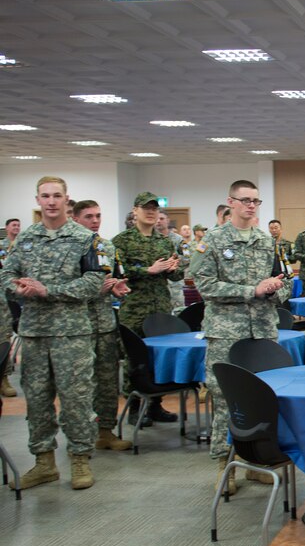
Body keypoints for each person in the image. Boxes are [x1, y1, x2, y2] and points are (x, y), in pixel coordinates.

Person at [0, 177, 105, 490]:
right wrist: (19, 288)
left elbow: (93, 283)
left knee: (76, 399)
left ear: (66, 199)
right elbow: (7, 274)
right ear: (37, 199)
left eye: (57, 196)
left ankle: (80, 460)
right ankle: (44, 462)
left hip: (71, 333)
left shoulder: (86, 239)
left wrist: (50, 290)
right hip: (33, 333)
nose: (51, 201)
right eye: (45, 196)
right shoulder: (27, 238)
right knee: (37, 399)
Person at [194, 179, 288, 495]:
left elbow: (284, 283)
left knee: (262, 399)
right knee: (225, 400)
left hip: (262, 332)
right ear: (230, 202)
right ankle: (226, 466)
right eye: (245, 200)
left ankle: (257, 463)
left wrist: (276, 290)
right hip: (226, 334)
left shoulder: (267, 242)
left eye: (255, 201)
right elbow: (204, 285)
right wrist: (252, 290)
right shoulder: (212, 240)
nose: (250, 206)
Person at [112, 192, 184, 424]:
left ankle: (155, 404)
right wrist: (147, 270)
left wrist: (173, 269)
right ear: (135, 211)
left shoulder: (164, 242)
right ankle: (134, 408)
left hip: (160, 306)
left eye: (154, 208)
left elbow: (177, 275)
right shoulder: (121, 241)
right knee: (134, 359)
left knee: (157, 358)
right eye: (146, 208)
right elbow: (119, 272)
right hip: (134, 308)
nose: (151, 212)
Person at [72, 200, 133, 451]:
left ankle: (105, 432)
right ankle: (80, 437)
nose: (95, 221)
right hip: (77, 326)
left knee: (108, 382)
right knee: (80, 384)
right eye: (89, 216)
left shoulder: (106, 247)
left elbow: (118, 277)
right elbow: (64, 288)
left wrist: (119, 290)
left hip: (105, 323)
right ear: (76, 219)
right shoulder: (69, 248)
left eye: (98, 215)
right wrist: (94, 289)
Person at [0, 217, 21, 397]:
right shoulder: (1, 245)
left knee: (3, 338)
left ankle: (3, 379)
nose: (16, 227)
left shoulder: (20, 245)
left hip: (4, 299)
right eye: (13, 225)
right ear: (6, 228)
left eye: (18, 225)